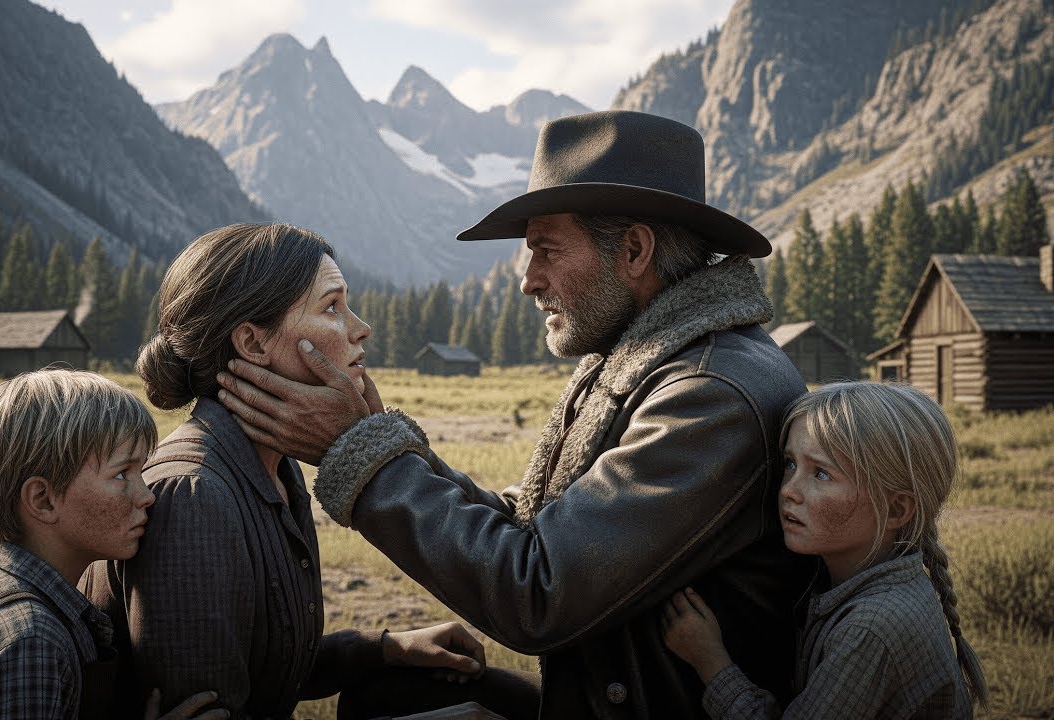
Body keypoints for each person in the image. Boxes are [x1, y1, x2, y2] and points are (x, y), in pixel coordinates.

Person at [215, 110, 812, 718]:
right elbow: (534, 529)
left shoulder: (708, 395)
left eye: (546, 251)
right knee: (391, 690)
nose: (529, 281)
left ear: (634, 249)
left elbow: (539, 590)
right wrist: (383, 448)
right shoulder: (647, 362)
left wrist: (362, 457)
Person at [82, 223, 525, 720]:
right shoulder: (194, 497)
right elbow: (209, 703)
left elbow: (267, 659)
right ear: (252, 343)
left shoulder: (277, 469)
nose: (361, 328)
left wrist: (384, 648)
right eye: (332, 306)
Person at [662, 381, 987, 719]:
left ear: (895, 510)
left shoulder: (872, 628)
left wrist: (710, 661)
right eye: (790, 464)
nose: (789, 490)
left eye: (821, 473)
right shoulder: (846, 581)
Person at [0, 369, 225, 720]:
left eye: (143, 471)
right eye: (122, 474)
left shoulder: (18, 595)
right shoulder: (30, 645)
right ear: (43, 500)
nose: (146, 496)